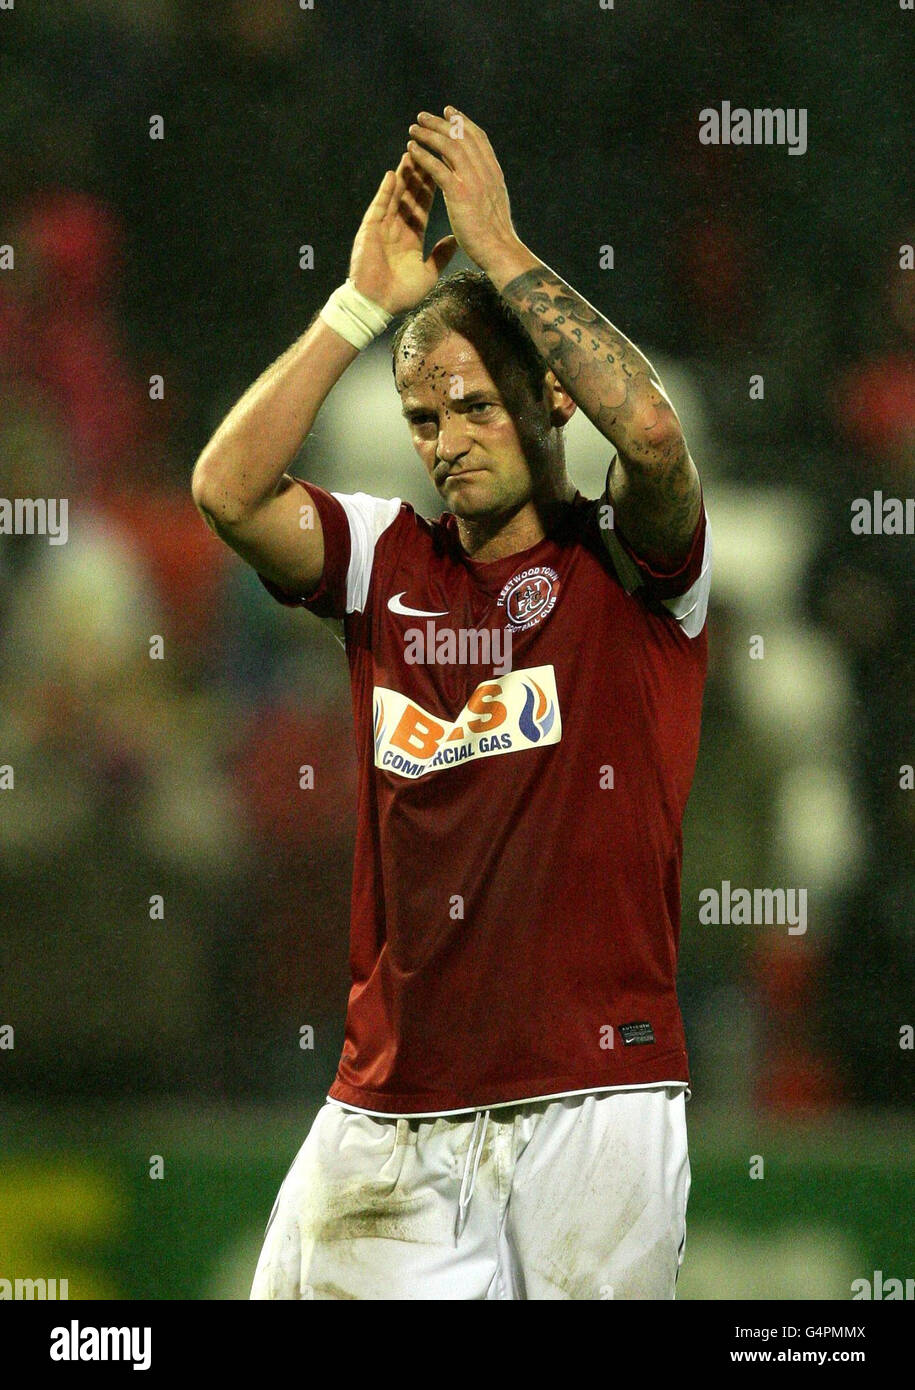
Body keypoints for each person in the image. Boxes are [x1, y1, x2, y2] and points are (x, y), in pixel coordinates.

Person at [192, 107, 712, 1300]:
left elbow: (650, 432)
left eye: (478, 406)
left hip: (599, 1099)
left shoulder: (629, 569)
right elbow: (224, 489)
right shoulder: (387, 562)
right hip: (391, 1111)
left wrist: (501, 246)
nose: (449, 442)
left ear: (549, 404)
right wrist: (356, 308)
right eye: (426, 418)